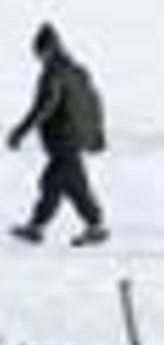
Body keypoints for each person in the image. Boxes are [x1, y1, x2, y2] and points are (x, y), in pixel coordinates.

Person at [8, 24, 108, 247]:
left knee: (52, 182)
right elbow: (95, 104)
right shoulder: (77, 71)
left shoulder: (53, 74)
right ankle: (95, 226)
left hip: (64, 138)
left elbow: (45, 106)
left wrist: (20, 132)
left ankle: (37, 227)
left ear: (48, 50)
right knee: (75, 186)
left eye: (39, 53)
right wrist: (97, 134)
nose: (39, 59)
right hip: (75, 138)